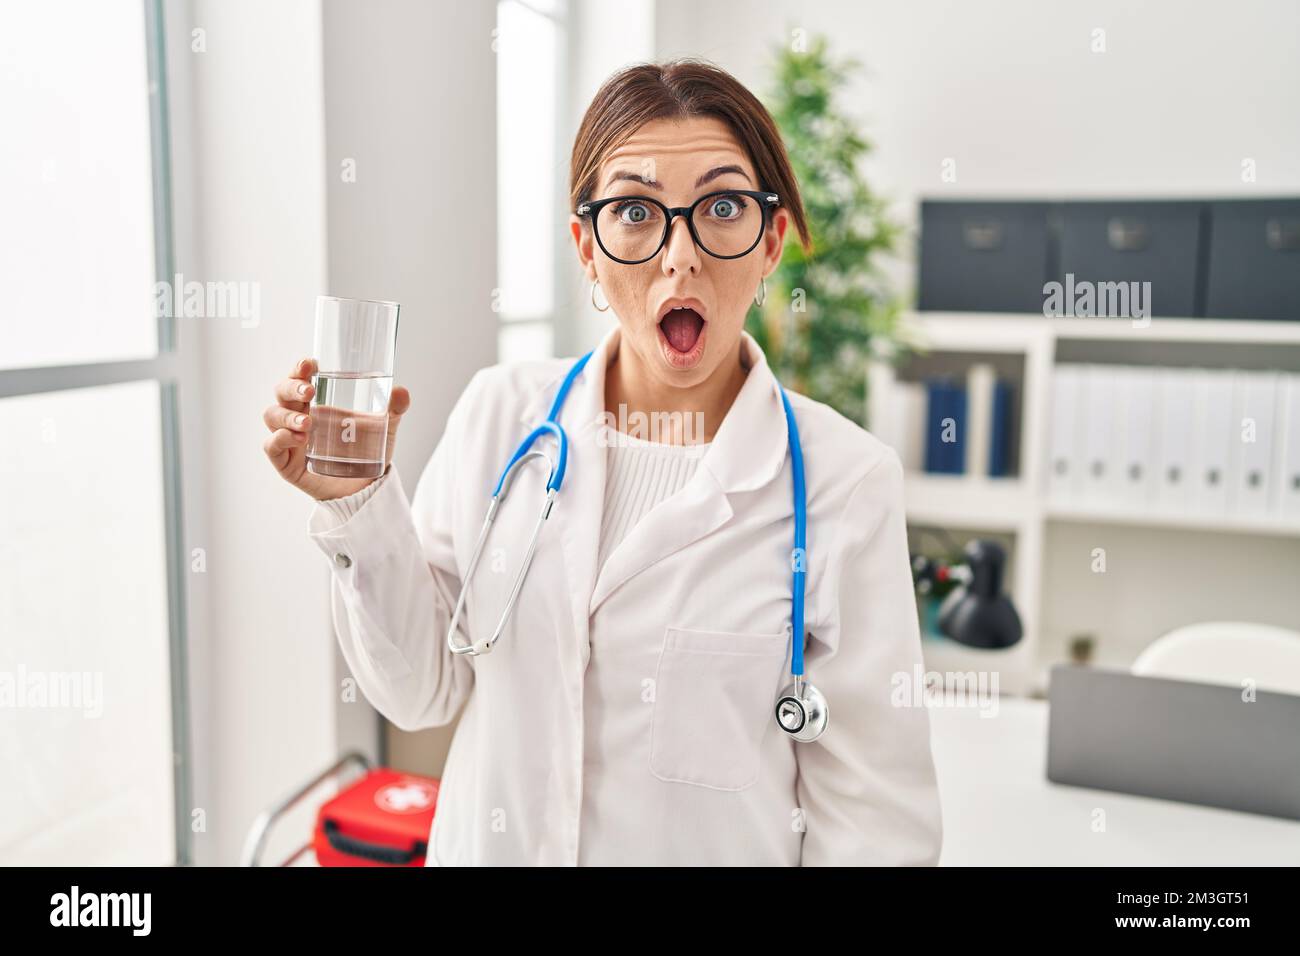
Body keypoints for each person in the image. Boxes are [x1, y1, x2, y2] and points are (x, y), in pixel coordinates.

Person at [263, 58, 942, 866]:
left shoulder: (845, 484)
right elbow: (420, 692)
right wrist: (359, 504)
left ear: (771, 243)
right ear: (587, 247)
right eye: (635, 211)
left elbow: (875, 825)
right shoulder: (500, 415)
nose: (680, 256)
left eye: (723, 207)